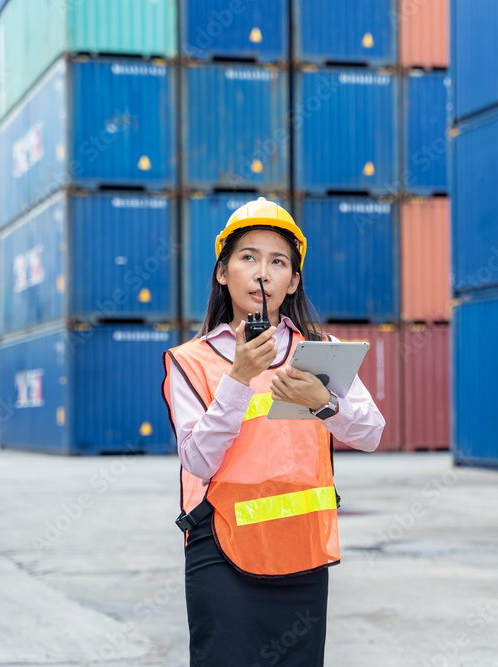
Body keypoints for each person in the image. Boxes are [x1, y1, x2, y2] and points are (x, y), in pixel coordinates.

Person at [160, 197, 385, 666]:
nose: (263, 273)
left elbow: (371, 433)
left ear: (293, 280)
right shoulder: (191, 361)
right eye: (248, 257)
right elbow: (198, 461)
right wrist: (238, 379)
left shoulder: (321, 350)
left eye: (278, 262)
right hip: (221, 550)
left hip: (301, 550)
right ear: (223, 272)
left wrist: (323, 403)